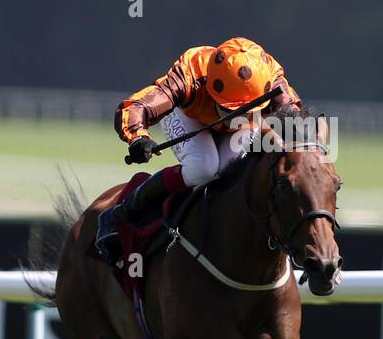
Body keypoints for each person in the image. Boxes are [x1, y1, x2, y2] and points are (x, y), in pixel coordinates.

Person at [95, 37, 301, 264]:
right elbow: (136, 106)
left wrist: (293, 123)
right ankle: (123, 212)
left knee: (230, 173)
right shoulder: (189, 76)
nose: (239, 119)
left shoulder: (269, 76)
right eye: (231, 110)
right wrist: (138, 138)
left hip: (237, 125)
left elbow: (293, 113)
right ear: (212, 91)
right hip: (187, 116)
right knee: (203, 168)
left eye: (248, 110)